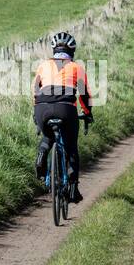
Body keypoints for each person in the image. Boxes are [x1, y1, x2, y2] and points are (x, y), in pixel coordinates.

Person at [33, 30, 93, 202]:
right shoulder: (76, 67)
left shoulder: (43, 65)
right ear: (72, 51)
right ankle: (73, 187)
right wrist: (87, 113)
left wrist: (36, 112)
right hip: (65, 108)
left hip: (42, 107)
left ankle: (42, 153)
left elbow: (35, 90)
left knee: (47, 136)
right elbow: (84, 96)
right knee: (71, 147)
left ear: (53, 50)